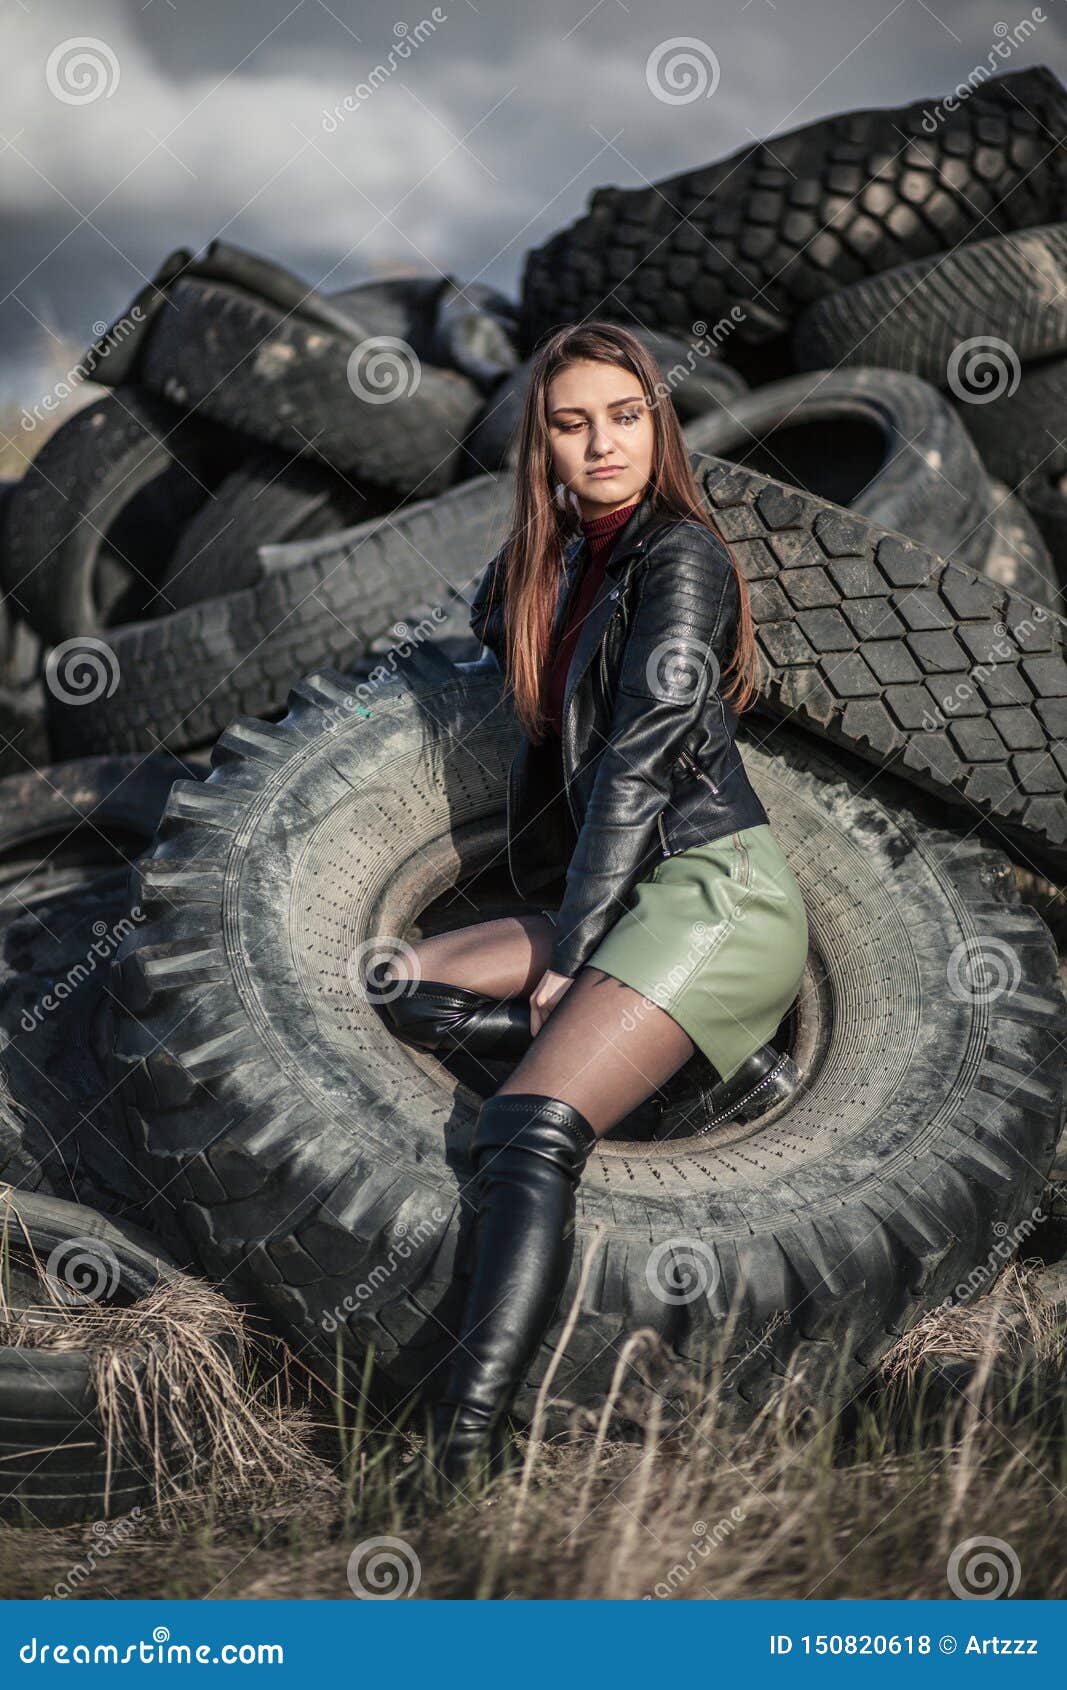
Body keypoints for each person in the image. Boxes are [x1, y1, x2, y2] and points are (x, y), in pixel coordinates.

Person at [366, 321, 809, 1495]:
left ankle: (463, 1447)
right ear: (543, 445)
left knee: (523, 1129)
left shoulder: (681, 559)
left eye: (624, 416)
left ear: (656, 428)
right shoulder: (541, 571)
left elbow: (640, 761)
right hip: (602, 890)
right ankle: (680, 1067)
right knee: (393, 984)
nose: (601, 442)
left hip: (709, 890)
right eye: (571, 423)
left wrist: (571, 947)